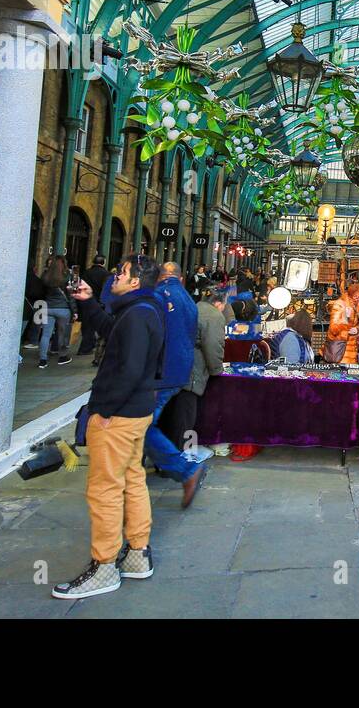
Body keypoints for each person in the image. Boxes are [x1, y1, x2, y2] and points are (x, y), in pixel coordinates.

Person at [54, 255, 166, 599]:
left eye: (122, 272)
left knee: (104, 489)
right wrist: (88, 303)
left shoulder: (136, 314)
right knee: (132, 479)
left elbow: (129, 369)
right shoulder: (141, 310)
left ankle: (103, 568)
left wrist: (103, 410)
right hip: (137, 412)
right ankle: (136, 554)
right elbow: (111, 333)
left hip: (118, 416)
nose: (115, 276)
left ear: (135, 282)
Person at [142, 262, 208, 505]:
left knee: (140, 426)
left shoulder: (159, 296)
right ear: (181, 278)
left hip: (160, 373)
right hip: (180, 372)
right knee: (141, 425)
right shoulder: (190, 301)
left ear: (160, 277)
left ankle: (185, 470)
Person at [161, 285, 225, 452]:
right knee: (185, 416)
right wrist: (217, 370)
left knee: (171, 412)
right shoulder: (214, 315)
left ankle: (165, 456)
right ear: (219, 303)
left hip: (175, 367)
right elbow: (213, 346)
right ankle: (179, 455)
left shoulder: (194, 307)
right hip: (193, 371)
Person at [37, 256, 74, 369]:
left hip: (48, 308)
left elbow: (41, 293)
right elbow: (70, 295)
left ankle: (42, 360)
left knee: (46, 335)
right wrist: (74, 310)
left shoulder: (45, 276)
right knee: (63, 334)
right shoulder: (67, 276)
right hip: (63, 309)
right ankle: (62, 357)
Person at [77, 255, 111, 355]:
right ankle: (92, 347)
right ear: (104, 262)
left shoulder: (86, 273)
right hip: (99, 304)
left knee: (87, 326)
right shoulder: (106, 274)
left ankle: (86, 346)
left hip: (85, 302)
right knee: (99, 326)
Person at [327, 284, 359, 363]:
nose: (357, 299)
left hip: (352, 349)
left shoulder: (357, 306)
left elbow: (358, 325)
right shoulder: (340, 305)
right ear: (351, 294)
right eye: (356, 297)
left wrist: (356, 329)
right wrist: (347, 328)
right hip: (341, 349)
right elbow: (333, 329)